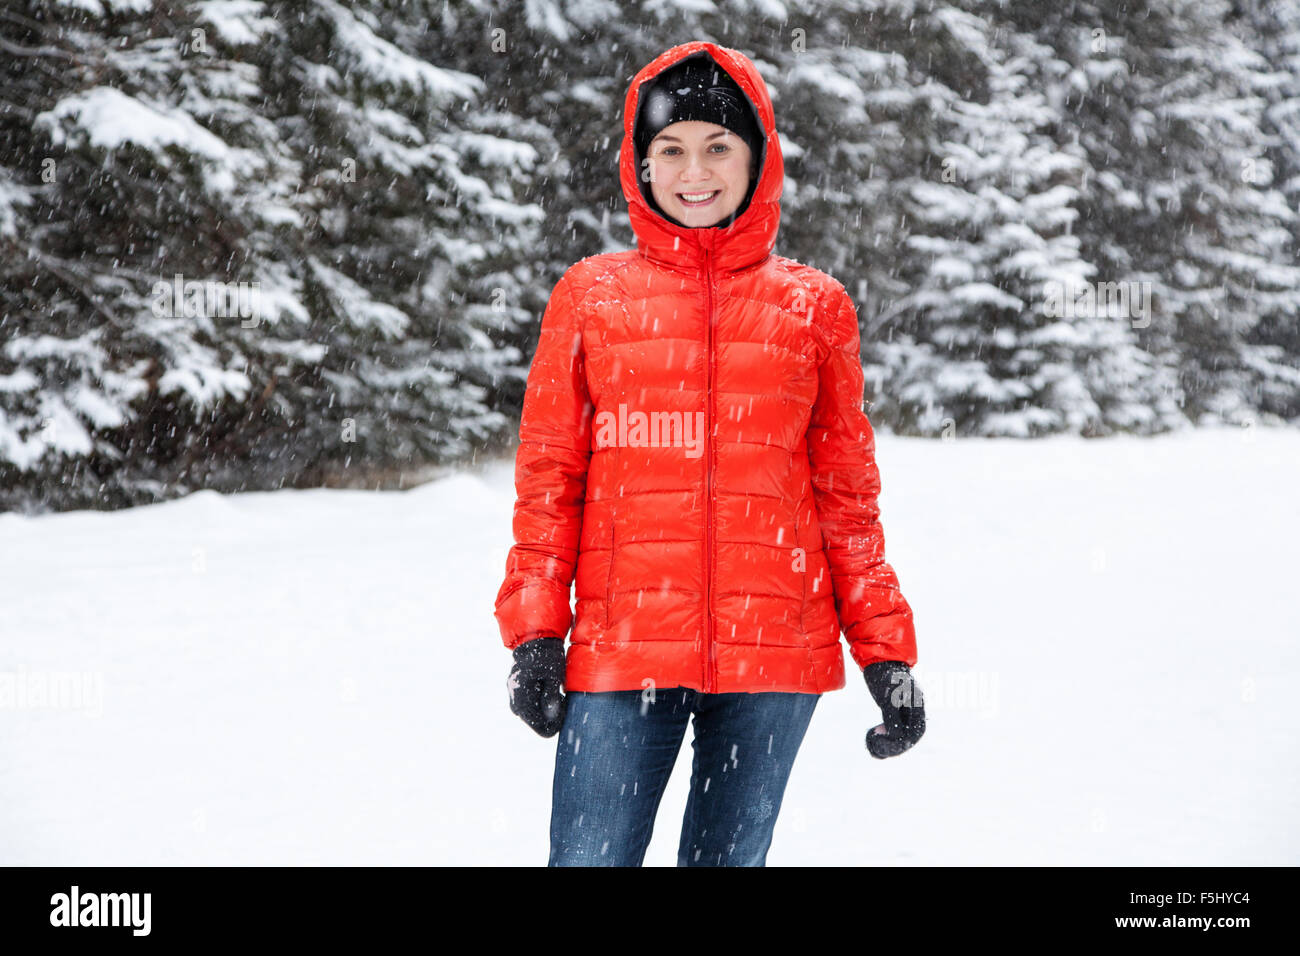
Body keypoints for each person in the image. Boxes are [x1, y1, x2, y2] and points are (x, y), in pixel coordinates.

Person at [494, 41, 925, 867]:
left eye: (718, 146)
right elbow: (551, 475)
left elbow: (846, 497)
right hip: (623, 651)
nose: (695, 170)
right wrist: (536, 632)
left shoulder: (814, 306)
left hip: (773, 653)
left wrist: (887, 651)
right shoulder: (591, 296)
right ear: (641, 163)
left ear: (757, 157)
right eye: (670, 149)